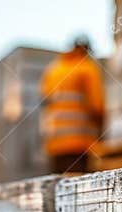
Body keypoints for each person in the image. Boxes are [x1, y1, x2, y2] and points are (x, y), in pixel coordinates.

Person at [40, 35, 105, 174]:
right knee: (78, 188)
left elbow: (45, 102)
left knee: (58, 187)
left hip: (54, 145)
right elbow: (97, 106)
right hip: (78, 145)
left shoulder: (53, 70)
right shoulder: (87, 68)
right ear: (86, 49)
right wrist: (102, 132)